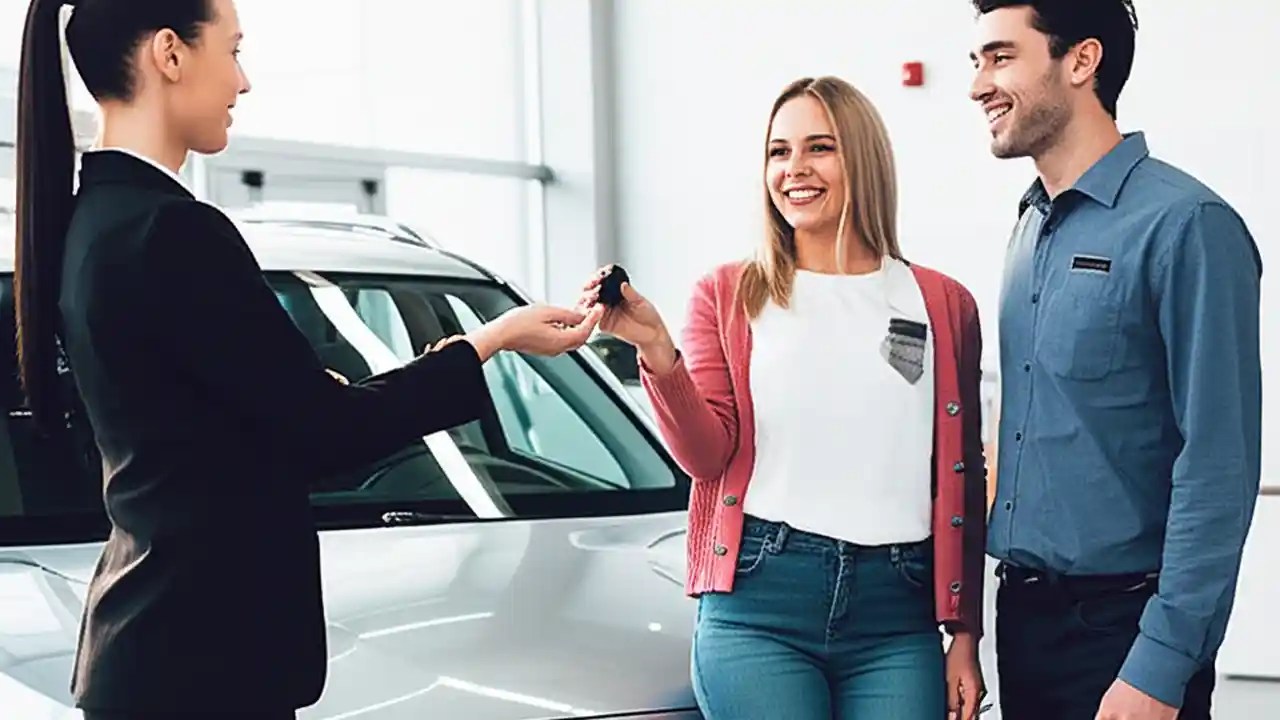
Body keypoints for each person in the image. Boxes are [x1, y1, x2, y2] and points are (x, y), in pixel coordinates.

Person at [14, 0, 602, 717]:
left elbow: (195, 423)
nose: (244, 81)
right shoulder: (172, 232)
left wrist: (287, 402)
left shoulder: (93, 223)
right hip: (201, 664)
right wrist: (492, 338)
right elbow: (329, 431)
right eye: (232, 51)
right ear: (170, 54)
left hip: (156, 651)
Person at [580, 76, 988, 720]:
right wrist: (658, 352)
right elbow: (706, 457)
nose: (794, 169)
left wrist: (966, 634)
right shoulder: (729, 293)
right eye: (778, 152)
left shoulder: (943, 304)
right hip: (761, 604)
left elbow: (962, 473)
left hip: (897, 614)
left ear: (864, 159)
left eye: (819, 148)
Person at [967, 2, 1264, 719]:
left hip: (1127, 635)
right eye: (976, 62)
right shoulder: (1029, 227)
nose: (978, 84)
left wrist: (1161, 666)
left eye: (1001, 57)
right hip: (1025, 624)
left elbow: (1219, 464)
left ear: (1081, 60)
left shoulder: (1189, 226)